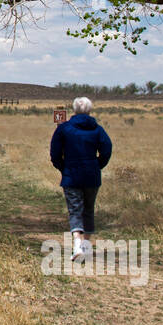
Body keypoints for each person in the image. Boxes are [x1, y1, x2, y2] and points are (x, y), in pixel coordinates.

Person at [50, 96, 112, 261]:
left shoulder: (64, 129)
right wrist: (97, 165)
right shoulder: (97, 129)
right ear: (90, 110)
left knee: (75, 210)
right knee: (89, 210)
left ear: (74, 110)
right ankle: (85, 246)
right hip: (91, 175)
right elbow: (107, 149)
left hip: (71, 175)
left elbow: (55, 152)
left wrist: (63, 167)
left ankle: (77, 244)